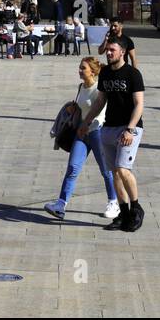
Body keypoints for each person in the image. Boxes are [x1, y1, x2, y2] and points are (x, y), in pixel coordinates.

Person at [75, 40, 145, 233]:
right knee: (114, 172)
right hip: (109, 127)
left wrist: (130, 129)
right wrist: (86, 122)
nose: (108, 53)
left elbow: (139, 104)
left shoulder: (133, 74)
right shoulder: (105, 73)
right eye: (107, 50)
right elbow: (101, 100)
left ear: (122, 52)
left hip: (130, 128)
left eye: (112, 50)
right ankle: (123, 213)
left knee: (123, 169)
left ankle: (136, 209)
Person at [44, 57, 120, 221]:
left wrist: (90, 124)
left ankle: (113, 202)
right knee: (72, 168)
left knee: (105, 170)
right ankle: (61, 205)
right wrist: (73, 108)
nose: (79, 70)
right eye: (79, 67)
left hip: (97, 132)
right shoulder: (81, 87)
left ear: (92, 71)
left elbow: (100, 110)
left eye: (83, 68)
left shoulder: (100, 89)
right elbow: (81, 107)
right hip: (81, 132)